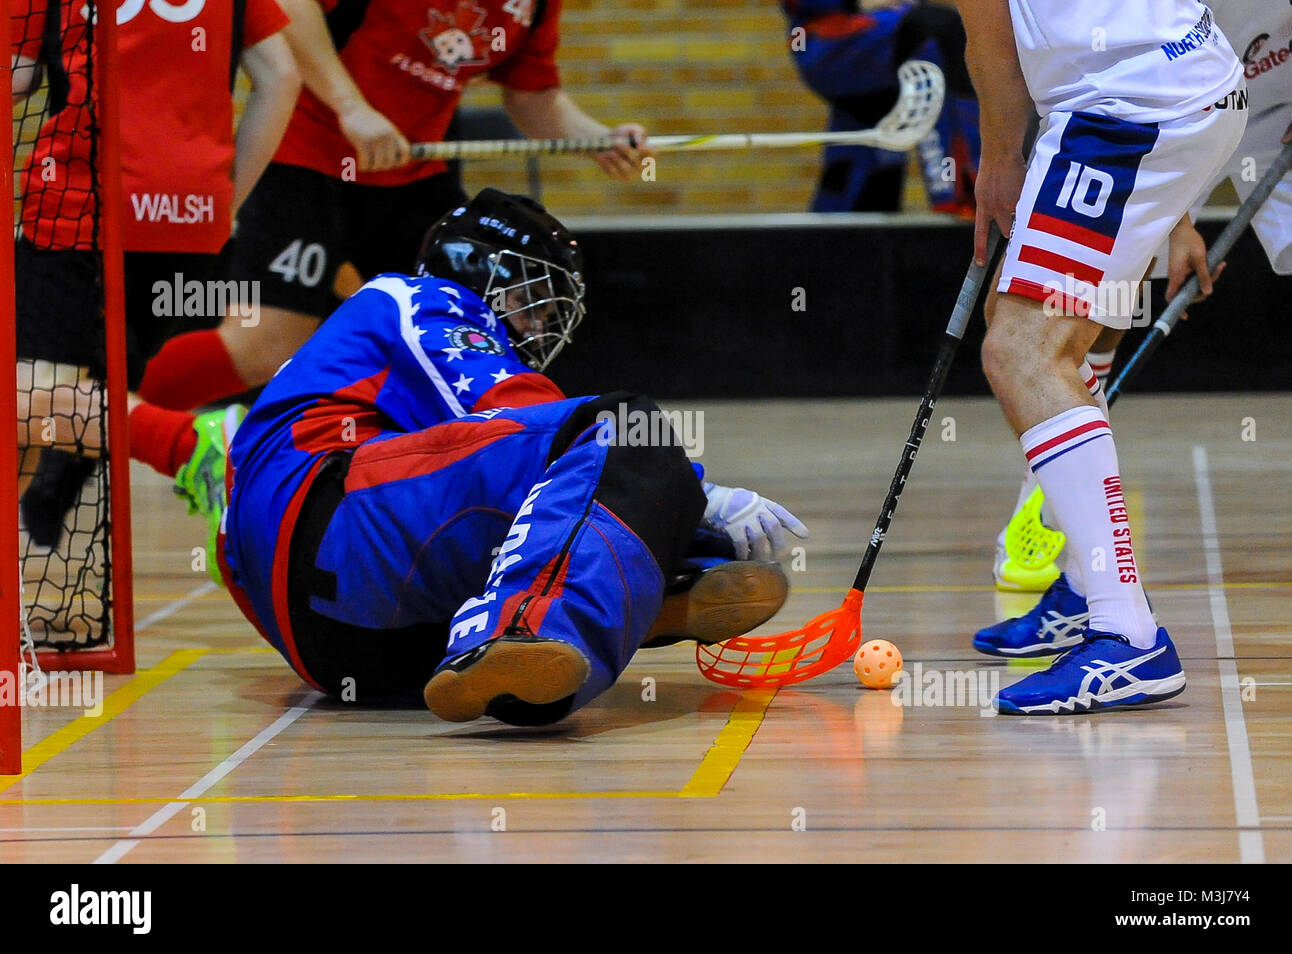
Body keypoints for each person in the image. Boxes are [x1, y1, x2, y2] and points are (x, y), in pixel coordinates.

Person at [194, 189, 806, 724]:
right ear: (482, 269)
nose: (541, 323)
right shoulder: (418, 296)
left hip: (340, 648)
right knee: (620, 429)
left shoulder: (344, 363)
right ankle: (544, 621)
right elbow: (519, 410)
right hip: (337, 521)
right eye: (534, 299)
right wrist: (696, 493)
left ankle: (573, 614)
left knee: (647, 514)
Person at [129, 0, 653, 440]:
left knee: (457, 330)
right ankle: (106, 406)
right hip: (309, 158)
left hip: (416, 176)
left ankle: (478, 460)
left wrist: (597, 139)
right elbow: (291, 7)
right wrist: (350, 107)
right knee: (265, 344)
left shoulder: (534, 5)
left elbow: (533, 94)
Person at [955, 0, 1246, 713]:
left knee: (1024, 351)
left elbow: (986, 26)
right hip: (1167, 86)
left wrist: (998, 160)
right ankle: (1090, 584)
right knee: (1034, 323)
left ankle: (1126, 635)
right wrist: (1171, 210)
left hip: (1129, 103)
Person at [985, 0, 1292, 606]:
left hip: (1229, 83)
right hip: (1184, 75)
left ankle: (1106, 603)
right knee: (1076, 313)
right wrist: (1173, 222)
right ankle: (1060, 522)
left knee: (1027, 343)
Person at [12, 0, 300, 543]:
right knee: (68, 397)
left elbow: (17, 77)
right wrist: (223, 201)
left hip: (80, 210)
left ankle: (192, 444)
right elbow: (282, 76)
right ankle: (17, 587)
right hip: (189, 220)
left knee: (24, 398)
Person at [780, 0, 980, 213]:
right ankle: (961, 195)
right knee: (933, 29)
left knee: (867, 147)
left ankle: (837, 232)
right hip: (823, 37)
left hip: (880, 31)